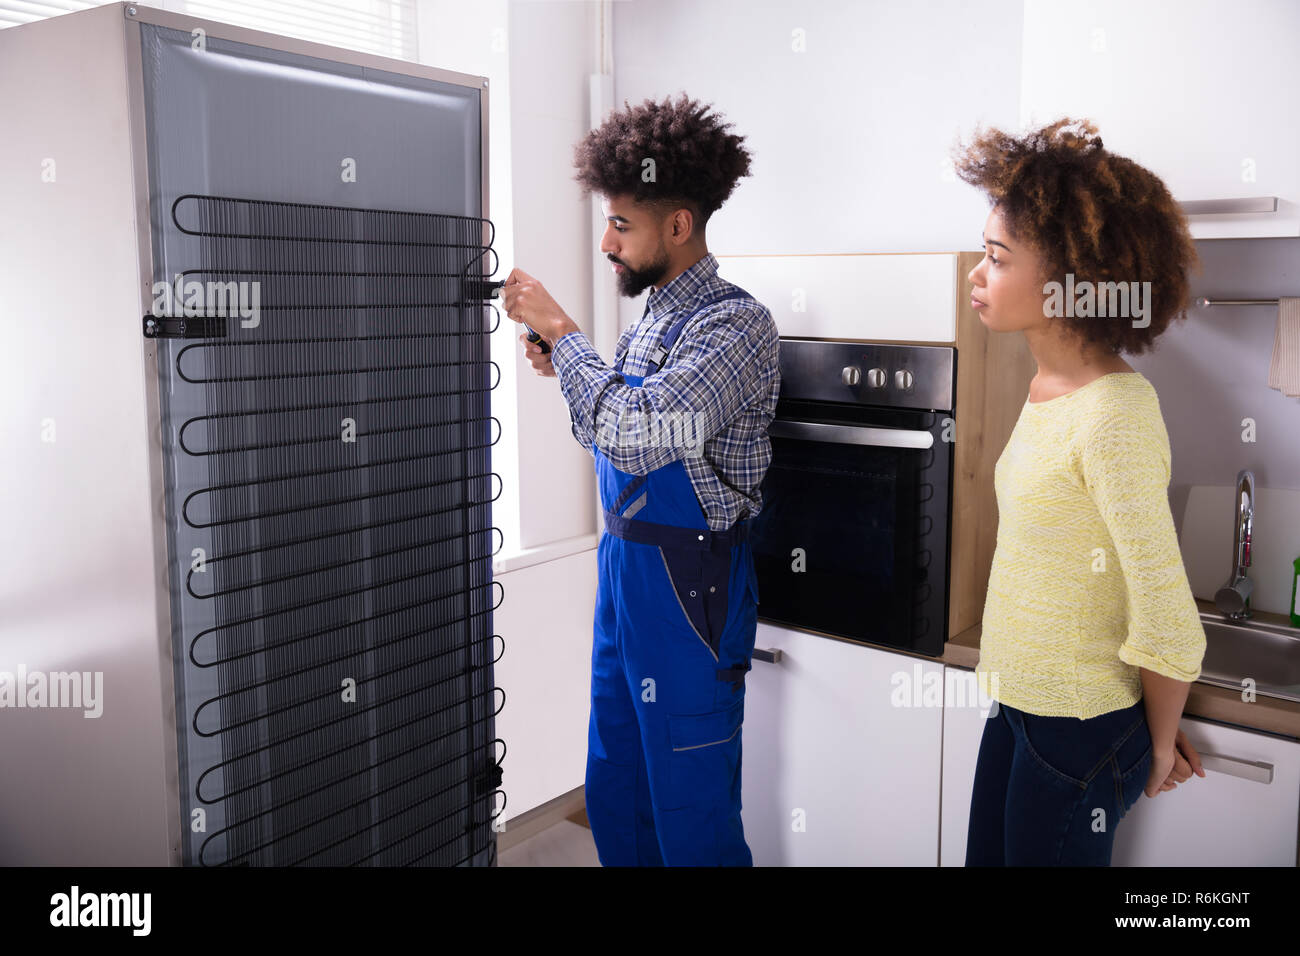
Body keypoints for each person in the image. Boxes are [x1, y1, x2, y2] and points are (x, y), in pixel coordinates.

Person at [499, 94, 779, 866]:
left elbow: (634, 429)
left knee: (692, 814)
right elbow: (606, 427)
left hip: (692, 591)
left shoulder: (736, 326)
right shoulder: (651, 321)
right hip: (624, 582)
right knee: (618, 787)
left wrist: (566, 335)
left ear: (678, 224)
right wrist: (574, 371)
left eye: (621, 224)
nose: (606, 243)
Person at [956, 117, 1208, 866]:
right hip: (1021, 708)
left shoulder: (1114, 414)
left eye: (997, 258)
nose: (976, 272)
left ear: (1071, 282)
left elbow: (1167, 614)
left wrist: (1154, 748)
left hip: (1078, 729)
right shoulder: (1047, 387)